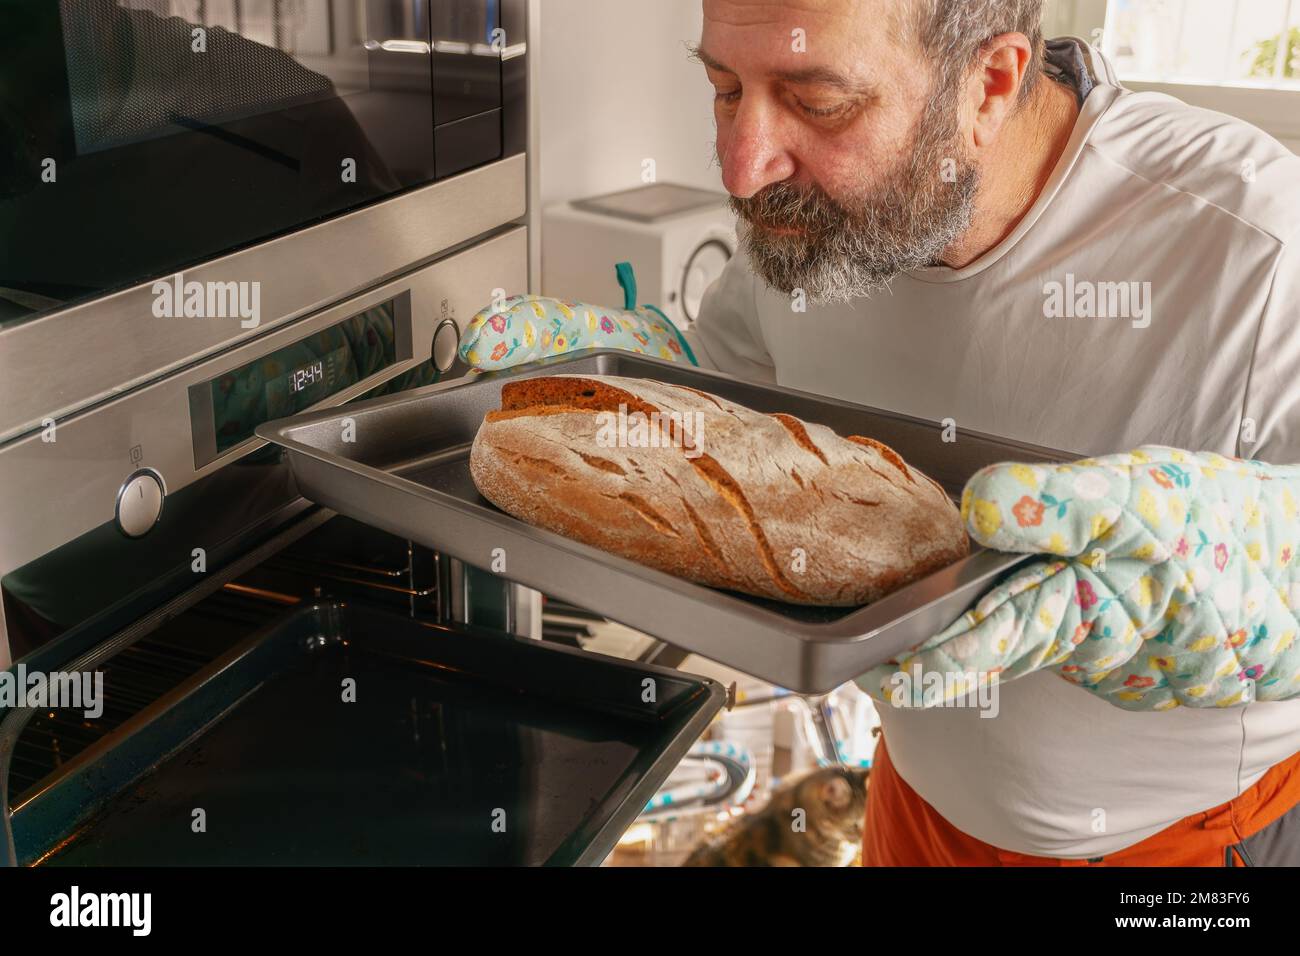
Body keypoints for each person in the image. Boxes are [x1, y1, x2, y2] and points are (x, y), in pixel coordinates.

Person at [689, 0, 1300, 865]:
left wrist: (1257, 566)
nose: (744, 169)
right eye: (722, 89)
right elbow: (728, 386)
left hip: (1189, 850)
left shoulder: (1263, 248)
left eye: (819, 104)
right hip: (913, 806)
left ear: (990, 83)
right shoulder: (807, 225)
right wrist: (631, 376)